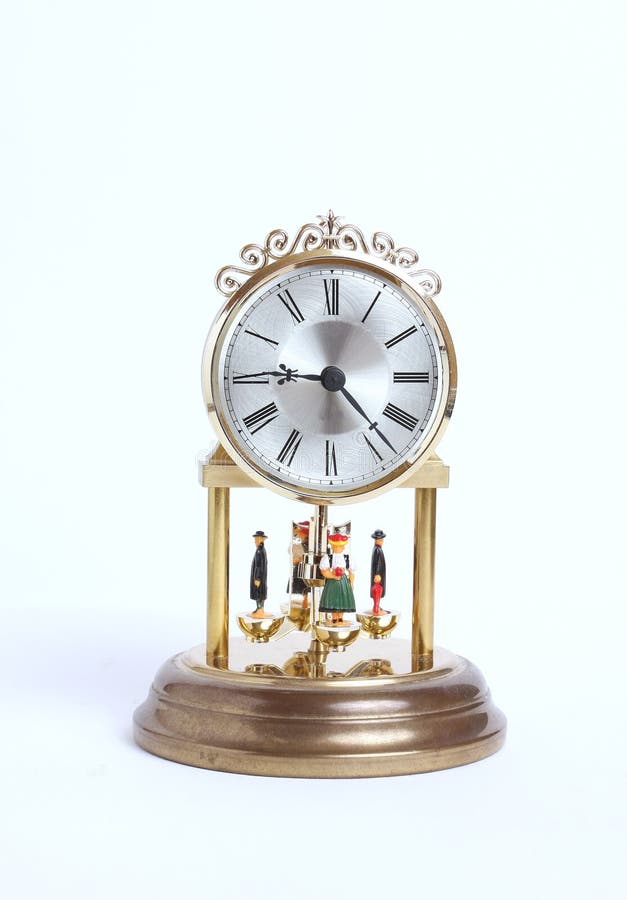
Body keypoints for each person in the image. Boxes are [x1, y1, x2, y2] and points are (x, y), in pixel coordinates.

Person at [319, 532, 355, 625]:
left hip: (343, 582)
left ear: (343, 547)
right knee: (334, 600)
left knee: (342, 600)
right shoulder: (328, 558)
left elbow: (352, 571)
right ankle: (334, 618)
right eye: (335, 546)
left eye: (340, 546)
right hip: (332, 582)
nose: (338, 548)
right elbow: (324, 571)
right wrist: (333, 575)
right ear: (332, 546)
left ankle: (341, 617)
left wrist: (351, 583)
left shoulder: (347, 558)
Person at [249, 530, 270, 618]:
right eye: (255, 539)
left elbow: (258, 566)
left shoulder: (259, 551)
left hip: (259, 577)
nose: (255, 541)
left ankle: (260, 610)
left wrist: (257, 578)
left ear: (261, 539)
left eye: (257, 539)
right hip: (262, 576)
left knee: (259, 593)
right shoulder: (261, 550)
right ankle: (259, 609)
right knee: (260, 593)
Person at [370, 529, 386, 614]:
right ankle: (376, 607)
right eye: (380, 540)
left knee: (378, 591)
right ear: (376, 540)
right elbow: (378, 562)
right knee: (377, 590)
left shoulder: (377, 549)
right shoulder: (377, 550)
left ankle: (377, 605)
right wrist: (377, 573)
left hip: (378, 574)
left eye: (382, 540)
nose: (382, 541)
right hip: (378, 574)